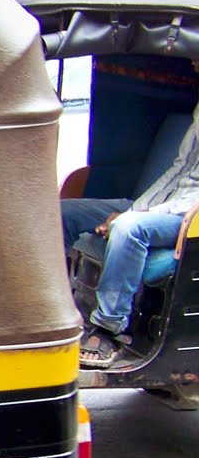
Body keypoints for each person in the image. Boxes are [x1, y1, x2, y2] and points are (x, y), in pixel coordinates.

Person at [61, 112, 199, 367]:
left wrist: (134, 216)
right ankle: (56, 309)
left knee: (127, 228)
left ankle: (108, 329)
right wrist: (137, 209)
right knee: (62, 213)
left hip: (187, 218)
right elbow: (179, 168)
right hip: (157, 206)